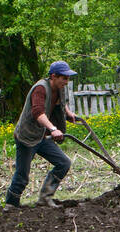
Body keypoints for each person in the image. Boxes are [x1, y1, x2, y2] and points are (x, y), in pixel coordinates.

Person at [5, 61, 83, 207]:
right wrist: (53, 129)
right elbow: (38, 113)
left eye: (68, 78)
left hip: (42, 135)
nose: (66, 82)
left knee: (63, 163)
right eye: (64, 78)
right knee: (22, 176)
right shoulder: (40, 88)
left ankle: (45, 198)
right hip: (27, 136)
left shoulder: (59, 88)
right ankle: (11, 204)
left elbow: (60, 101)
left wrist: (67, 113)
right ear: (53, 76)